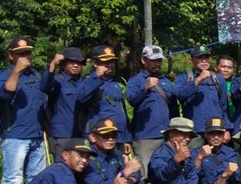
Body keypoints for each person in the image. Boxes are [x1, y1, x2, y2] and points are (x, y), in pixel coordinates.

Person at [0, 36, 48, 184]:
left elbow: (43, 105)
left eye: (27, 53)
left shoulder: (36, 75)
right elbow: (5, 93)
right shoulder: (4, 75)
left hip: (37, 135)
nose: (25, 57)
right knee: (12, 180)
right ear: (11, 55)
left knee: (34, 180)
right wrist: (16, 70)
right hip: (14, 136)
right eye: (20, 54)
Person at [126, 45, 177, 174]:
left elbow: (173, 107)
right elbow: (132, 100)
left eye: (159, 60)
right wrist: (146, 89)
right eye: (153, 60)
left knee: (166, 172)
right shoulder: (136, 80)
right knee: (145, 175)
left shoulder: (165, 81)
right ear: (143, 60)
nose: (157, 64)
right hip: (145, 137)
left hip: (166, 136)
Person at [77, 45, 131, 153]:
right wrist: (97, 77)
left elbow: (122, 111)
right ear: (95, 63)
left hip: (117, 137)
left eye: (112, 62)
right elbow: (80, 98)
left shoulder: (115, 84)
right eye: (105, 62)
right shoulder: (87, 81)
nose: (109, 65)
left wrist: (127, 138)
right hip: (99, 138)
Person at [174, 46, 232, 137]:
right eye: (200, 58)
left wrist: (227, 129)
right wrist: (198, 80)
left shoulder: (218, 79)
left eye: (206, 57)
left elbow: (224, 107)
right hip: (194, 131)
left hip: (215, 129)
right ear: (191, 60)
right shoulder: (183, 78)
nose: (204, 61)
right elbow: (179, 95)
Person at [40, 46, 86, 155]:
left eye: (79, 63)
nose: (76, 65)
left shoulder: (84, 82)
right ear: (63, 64)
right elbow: (44, 86)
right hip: (63, 135)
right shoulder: (57, 80)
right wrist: (52, 65)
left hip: (82, 135)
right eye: (72, 62)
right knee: (63, 168)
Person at [191, 117, 238, 184]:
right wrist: (200, 157)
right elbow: (190, 175)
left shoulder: (231, 153)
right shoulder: (196, 152)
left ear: (224, 134)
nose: (216, 137)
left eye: (219, 133)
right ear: (206, 134)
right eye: (212, 133)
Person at [216, 55, 236, 120]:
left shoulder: (237, 84)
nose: (226, 70)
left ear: (233, 70)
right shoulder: (211, 83)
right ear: (216, 68)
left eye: (229, 67)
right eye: (223, 67)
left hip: (234, 122)